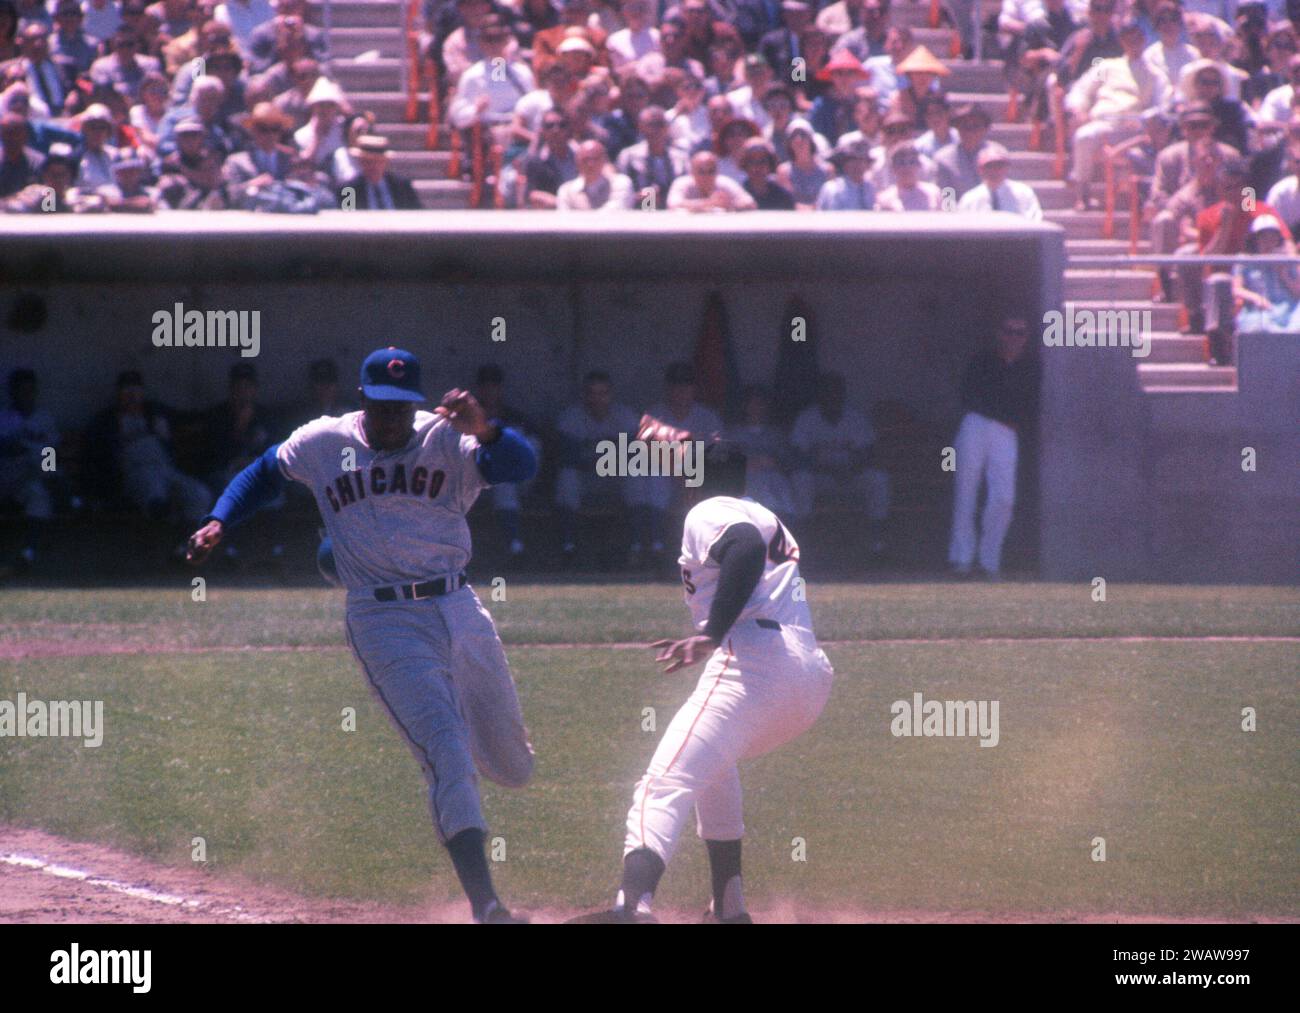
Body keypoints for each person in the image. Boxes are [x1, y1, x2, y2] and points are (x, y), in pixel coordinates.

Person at [185, 348, 537, 924]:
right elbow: (264, 473)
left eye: (403, 409)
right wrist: (221, 517)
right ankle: (488, 907)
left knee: (515, 767)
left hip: (458, 604)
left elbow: (519, 467)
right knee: (446, 751)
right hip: (383, 621)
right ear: (363, 401)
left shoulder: (447, 437)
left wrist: (489, 429)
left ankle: (460, 758)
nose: (393, 419)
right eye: (382, 408)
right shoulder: (325, 440)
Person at [576, 440, 833, 924]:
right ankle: (729, 909)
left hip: (753, 665)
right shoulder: (762, 512)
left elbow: (745, 548)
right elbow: (748, 535)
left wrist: (710, 634)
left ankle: (631, 908)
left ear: (695, 479)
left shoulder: (709, 511)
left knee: (663, 782)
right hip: (808, 677)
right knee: (713, 765)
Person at [947, 317, 1039, 581]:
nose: (1014, 337)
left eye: (1020, 333)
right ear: (1000, 334)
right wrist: (999, 412)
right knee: (966, 490)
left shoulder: (1030, 368)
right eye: (1009, 331)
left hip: (1007, 432)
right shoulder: (981, 361)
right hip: (976, 424)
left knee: (1004, 498)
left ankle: (990, 560)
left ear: (1026, 337)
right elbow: (967, 395)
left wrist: (1013, 421)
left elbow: (1030, 404)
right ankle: (962, 558)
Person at [85, 369, 211, 529]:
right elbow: (96, 454)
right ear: (118, 394)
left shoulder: (155, 412)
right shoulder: (107, 420)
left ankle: (192, 543)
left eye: (136, 390)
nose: (131, 396)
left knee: (199, 493)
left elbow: (189, 418)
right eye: (126, 390)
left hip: (166, 469)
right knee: (154, 491)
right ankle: (163, 537)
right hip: (134, 473)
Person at [789, 370, 889, 553]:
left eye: (836, 391)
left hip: (852, 476)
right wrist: (827, 469)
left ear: (843, 394)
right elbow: (798, 455)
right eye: (827, 392)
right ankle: (802, 539)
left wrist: (851, 470)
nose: (832, 396)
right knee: (800, 478)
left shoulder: (855, 417)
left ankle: (877, 538)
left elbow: (868, 453)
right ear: (820, 395)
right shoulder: (807, 418)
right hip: (820, 478)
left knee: (878, 479)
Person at [0, 367, 58, 573]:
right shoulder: (4, 417)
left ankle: (29, 553)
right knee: (30, 457)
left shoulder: (45, 418)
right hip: (5, 475)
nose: (25, 395)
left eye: (29, 390)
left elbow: (50, 452)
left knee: (39, 493)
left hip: (29, 479)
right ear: (12, 392)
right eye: (21, 390)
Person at [957, 142, 1044, 219]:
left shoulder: (1023, 193)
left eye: (999, 166)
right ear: (980, 170)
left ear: (1007, 168)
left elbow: (1035, 221)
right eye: (989, 166)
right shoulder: (970, 199)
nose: (995, 171)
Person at [336, 134, 421, 210]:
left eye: (378, 161)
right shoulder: (349, 190)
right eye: (368, 161)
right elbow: (346, 221)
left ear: (386, 162)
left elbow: (417, 217)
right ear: (360, 162)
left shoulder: (402, 188)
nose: (373, 166)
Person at [556, 137, 635, 209]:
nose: (590, 164)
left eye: (595, 158)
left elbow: (614, 214)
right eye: (585, 159)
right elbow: (564, 220)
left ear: (604, 160)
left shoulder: (621, 183)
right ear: (577, 162)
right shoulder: (566, 190)